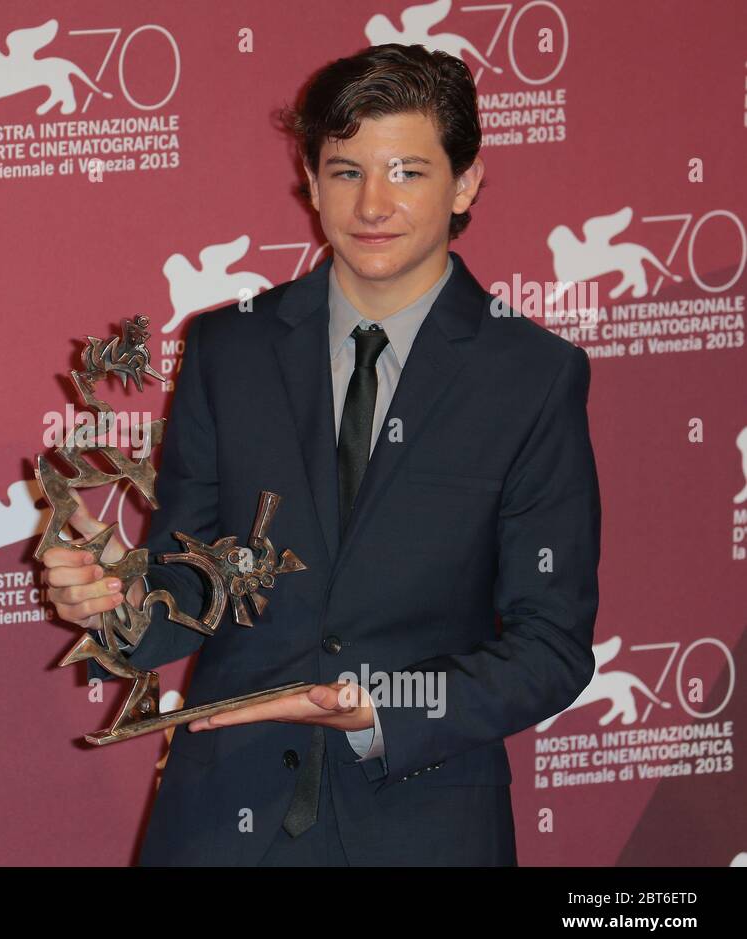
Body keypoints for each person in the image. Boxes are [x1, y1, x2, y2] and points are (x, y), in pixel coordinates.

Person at [40, 43, 601, 866]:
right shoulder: (231, 348)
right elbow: (194, 575)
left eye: (407, 171)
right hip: (224, 819)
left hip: (424, 824)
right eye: (345, 171)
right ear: (308, 176)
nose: (373, 203)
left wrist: (384, 707)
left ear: (467, 181)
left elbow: (551, 646)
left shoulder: (531, 376)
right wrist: (114, 598)